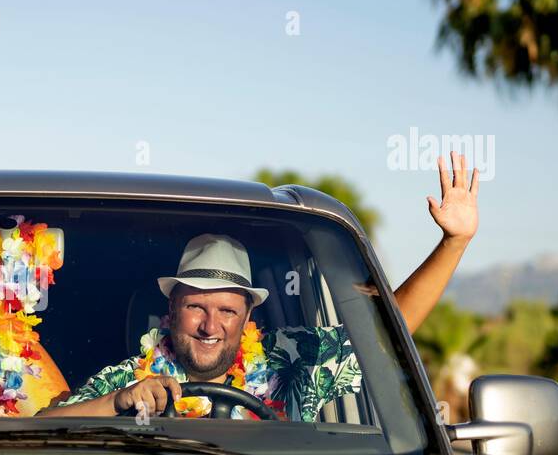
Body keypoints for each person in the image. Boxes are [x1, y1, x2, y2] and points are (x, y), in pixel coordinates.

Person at [37, 153, 481, 421]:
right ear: (170, 312)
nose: (211, 325)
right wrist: (121, 401)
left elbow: (387, 333)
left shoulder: (293, 365)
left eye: (227, 311)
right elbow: (44, 424)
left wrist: (453, 243)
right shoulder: (132, 376)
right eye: (196, 307)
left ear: (248, 317)